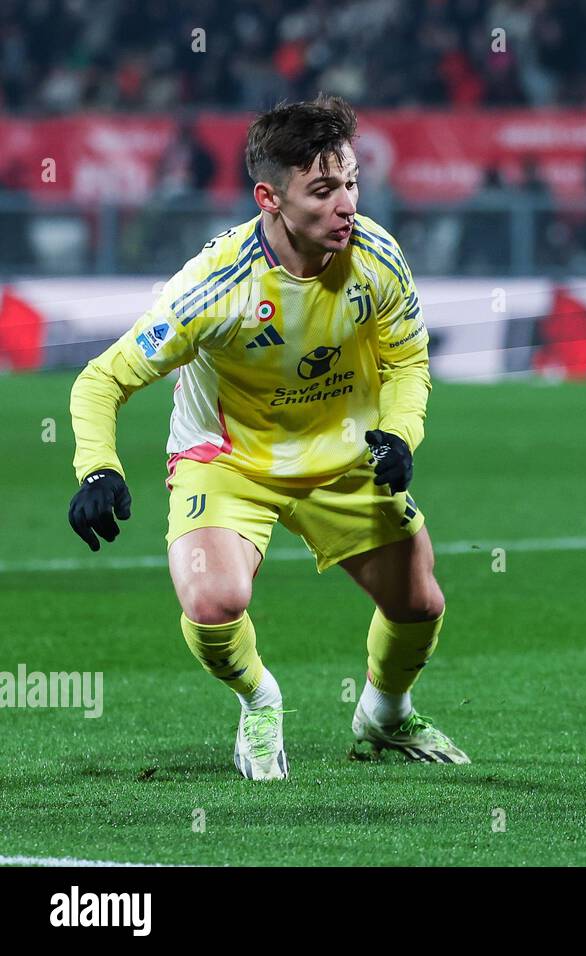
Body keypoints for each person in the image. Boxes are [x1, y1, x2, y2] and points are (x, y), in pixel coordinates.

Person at [66, 95, 468, 780]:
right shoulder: (212, 288)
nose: (346, 205)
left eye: (351, 182)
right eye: (323, 189)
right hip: (229, 461)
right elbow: (102, 381)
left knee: (420, 602)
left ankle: (386, 712)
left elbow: (407, 361)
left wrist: (400, 435)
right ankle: (259, 700)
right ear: (269, 198)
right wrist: (98, 469)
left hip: (341, 455)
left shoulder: (378, 258)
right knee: (213, 599)